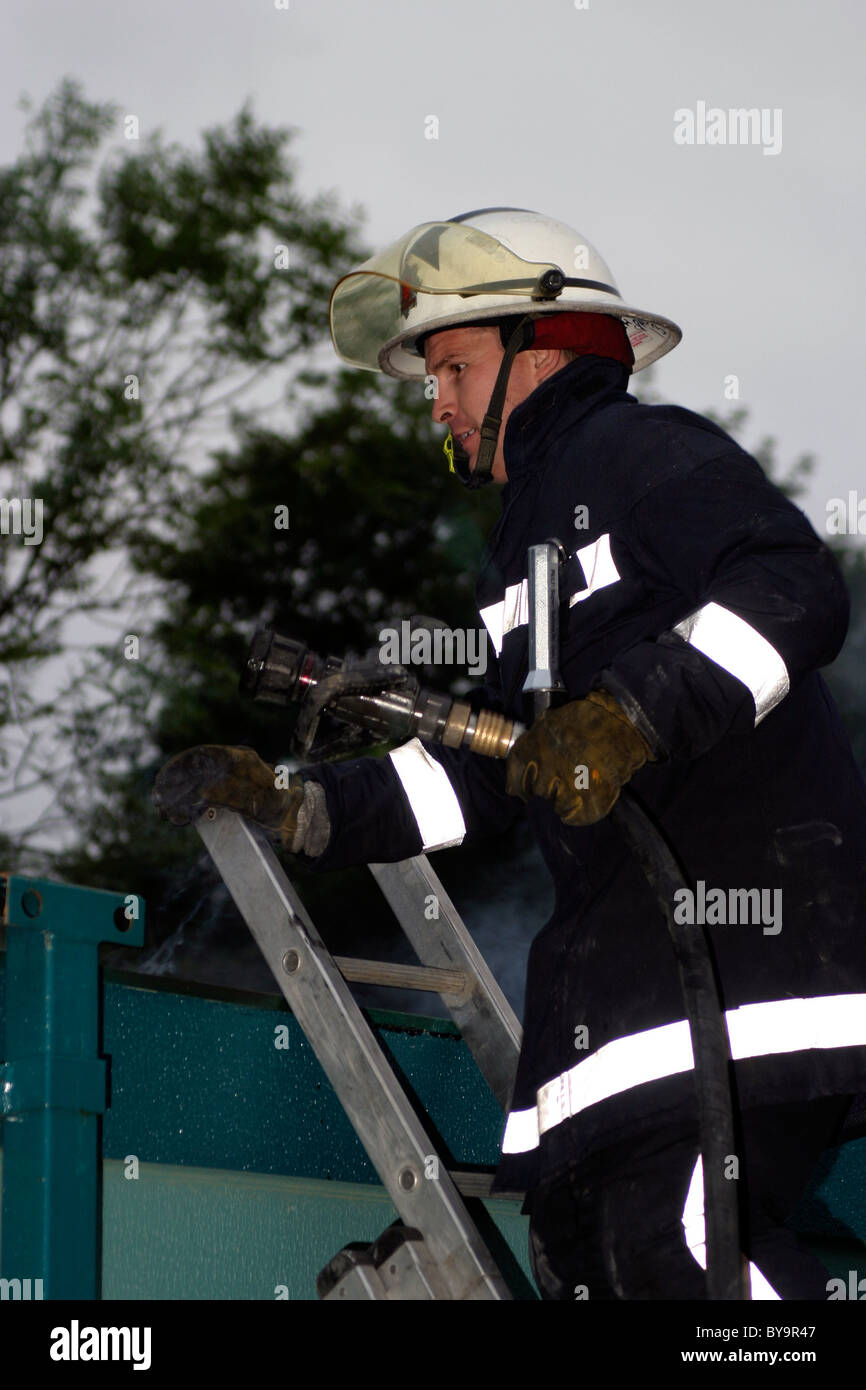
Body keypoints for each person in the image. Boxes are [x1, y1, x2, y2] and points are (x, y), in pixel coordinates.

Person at [154, 208, 866, 1299]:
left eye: (450, 366)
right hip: (629, 1014)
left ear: (541, 348)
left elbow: (791, 586)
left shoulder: (642, 453)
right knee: (596, 1259)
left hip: (740, 969)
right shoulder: (520, 554)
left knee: (680, 1257)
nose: (433, 402)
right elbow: (491, 767)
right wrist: (302, 808)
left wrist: (632, 714)